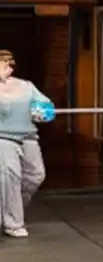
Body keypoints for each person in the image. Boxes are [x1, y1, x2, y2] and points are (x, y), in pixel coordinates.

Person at [0, 50, 49, 238]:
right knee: (10, 175)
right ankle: (13, 223)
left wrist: (43, 112)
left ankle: (7, 207)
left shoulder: (25, 86)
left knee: (36, 175)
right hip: (3, 137)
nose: (7, 66)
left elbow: (44, 103)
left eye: (9, 62)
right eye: (2, 62)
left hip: (28, 136)